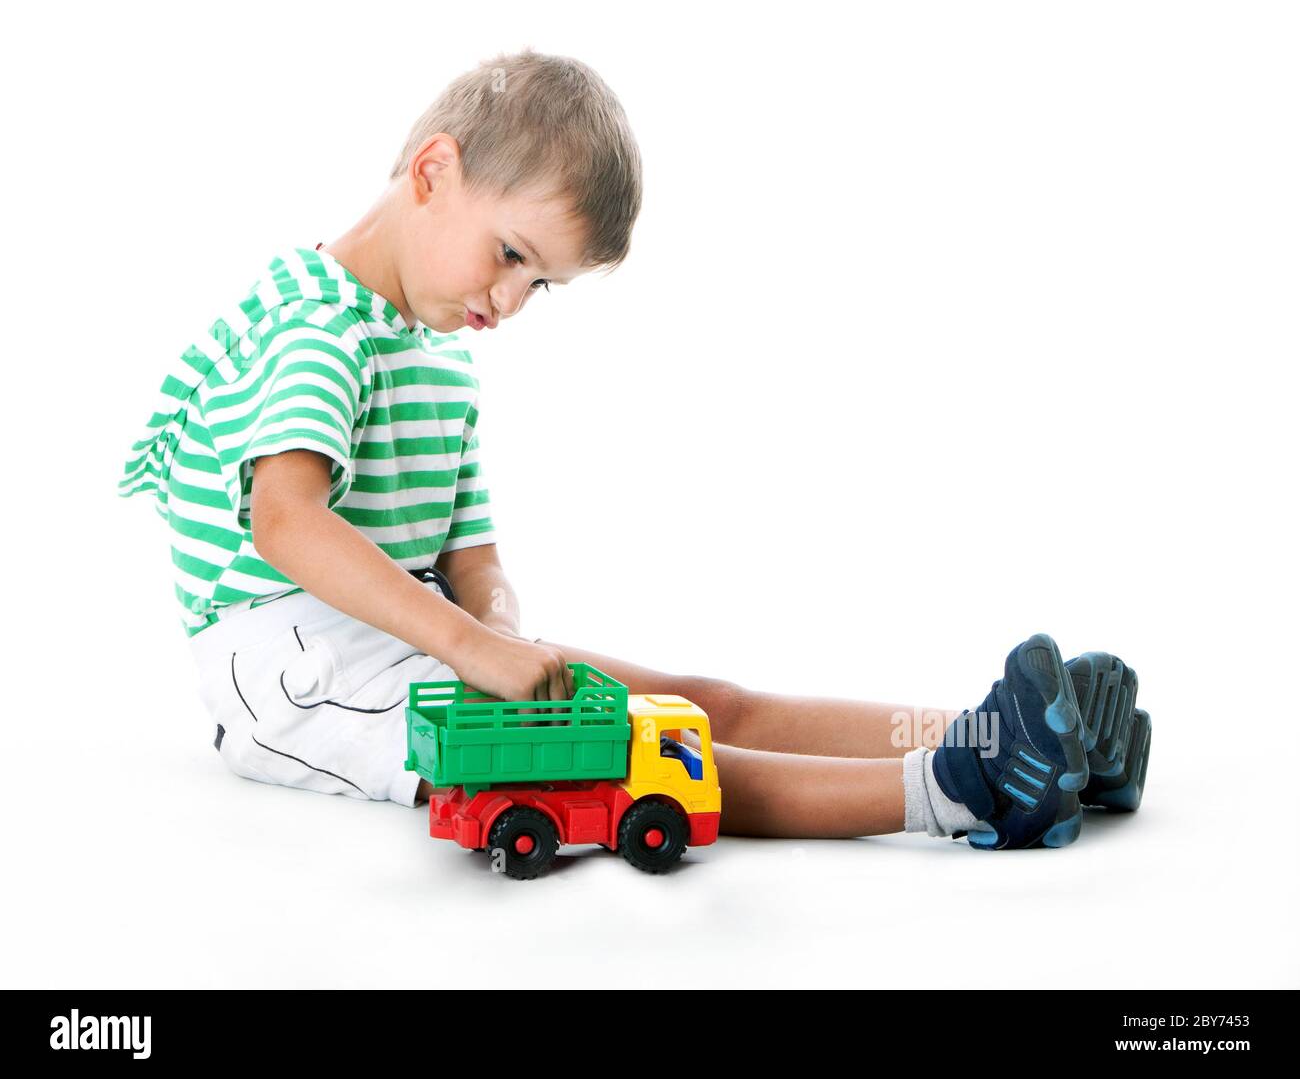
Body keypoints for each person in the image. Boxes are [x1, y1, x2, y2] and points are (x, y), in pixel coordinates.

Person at [119, 48, 1150, 851]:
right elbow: (286, 522)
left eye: (540, 283)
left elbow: (473, 558)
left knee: (705, 702)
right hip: (292, 669)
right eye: (512, 255)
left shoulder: (438, 358)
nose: (511, 300)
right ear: (434, 170)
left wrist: (498, 632)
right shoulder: (315, 327)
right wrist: (470, 649)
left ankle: (1016, 737)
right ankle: (963, 792)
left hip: (408, 635)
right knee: (643, 754)